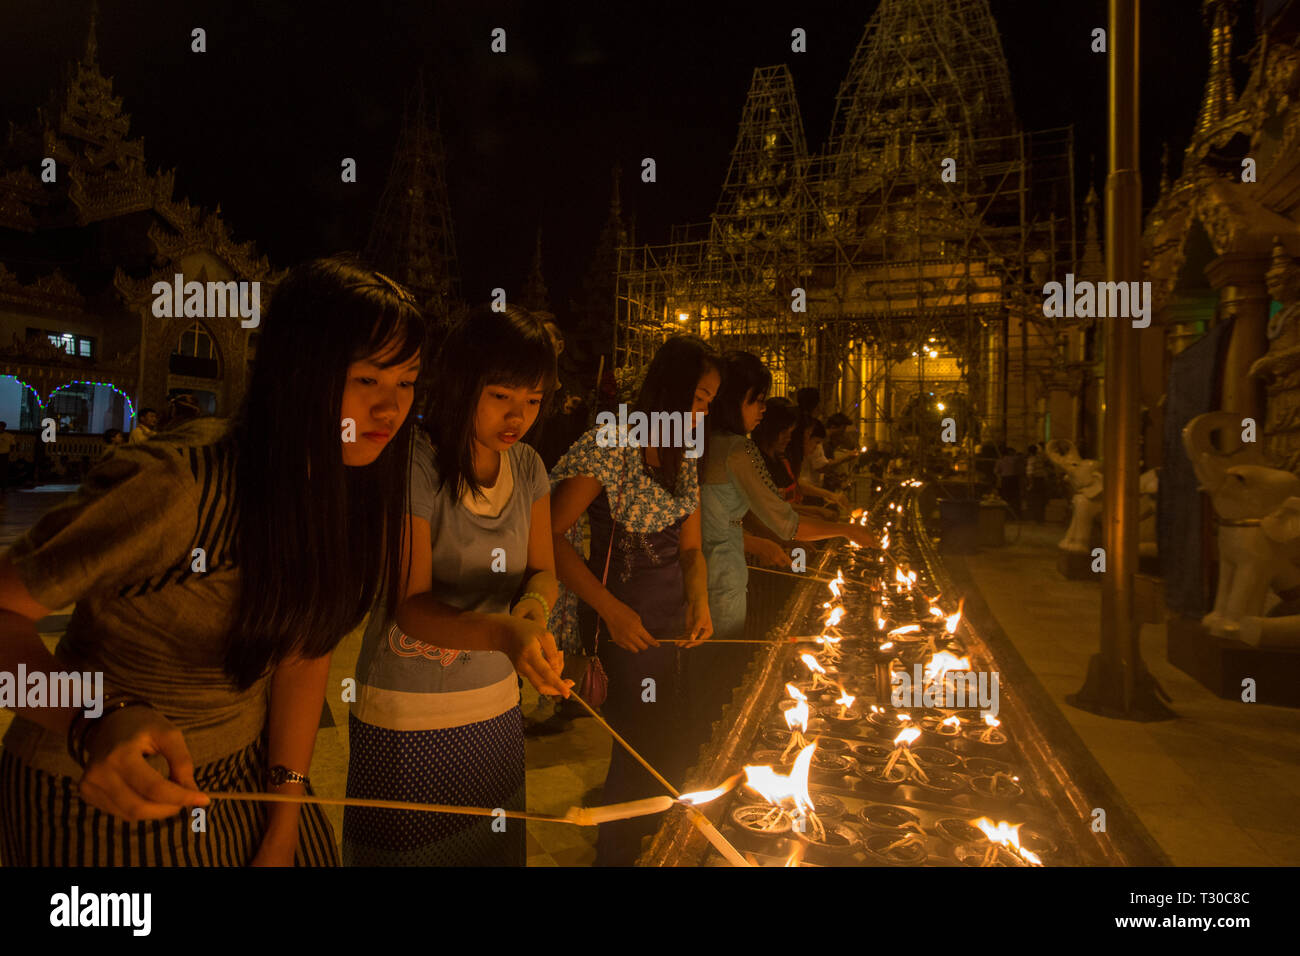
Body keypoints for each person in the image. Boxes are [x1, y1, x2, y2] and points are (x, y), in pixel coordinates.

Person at [0, 256, 426, 865]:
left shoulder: (345, 489)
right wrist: (92, 719)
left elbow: (305, 657)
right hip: (106, 793)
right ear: (300, 373)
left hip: (243, 778)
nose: (392, 409)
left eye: (406, 383)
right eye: (368, 381)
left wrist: (285, 819)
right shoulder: (182, 486)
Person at [344, 304, 567, 867]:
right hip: (410, 709)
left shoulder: (531, 469)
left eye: (534, 401)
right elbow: (411, 607)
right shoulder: (415, 463)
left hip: (494, 704)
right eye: (502, 396)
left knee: (485, 851)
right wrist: (503, 631)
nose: (518, 417)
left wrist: (533, 618)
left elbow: (543, 569)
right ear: (465, 384)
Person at [550, 334, 717, 866]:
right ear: (668, 392)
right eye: (696, 400)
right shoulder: (613, 443)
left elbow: (690, 549)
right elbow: (551, 537)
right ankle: (618, 854)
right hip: (621, 624)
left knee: (670, 742)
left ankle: (652, 846)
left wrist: (700, 602)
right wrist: (609, 610)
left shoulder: (683, 452)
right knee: (640, 743)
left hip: (671, 624)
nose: (700, 415)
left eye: (709, 404)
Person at [701, 350, 877, 649]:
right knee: (724, 654)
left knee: (707, 657)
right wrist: (848, 530)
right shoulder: (737, 450)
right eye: (755, 400)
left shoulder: (706, 440)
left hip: (701, 571)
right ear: (732, 401)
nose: (762, 409)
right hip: (723, 574)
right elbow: (785, 523)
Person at [1024, 443, 1048, 522]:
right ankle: (1041, 518)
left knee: (1034, 500)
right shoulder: (1040, 458)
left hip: (1035, 481)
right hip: (1042, 480)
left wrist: (1030, 484)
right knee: (1041, 500)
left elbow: (1030, 473)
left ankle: (1036, 518)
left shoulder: (1031, 460)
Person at [996, 445, 1022, 517]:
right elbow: (1019, 468)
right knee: (1015, 497)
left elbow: (996, 471)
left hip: (1005, 479)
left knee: (1005, 497)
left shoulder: (1000, 460)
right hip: (1014, 479)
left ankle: (1006, 514)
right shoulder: (1015, 459)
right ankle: (1016, 514)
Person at [0, 421, 13, 492]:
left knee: (4, 471)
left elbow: (12, 446)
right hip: (4, 454)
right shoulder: (9, 436)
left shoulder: (9, 436)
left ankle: (3, 487)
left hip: (5, 454)